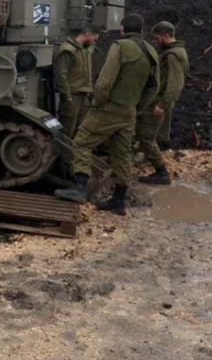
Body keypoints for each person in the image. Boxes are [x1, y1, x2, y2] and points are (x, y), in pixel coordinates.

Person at [54, 14, 159, 215]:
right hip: (129, 111)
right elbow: (154, 86)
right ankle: (118, 200)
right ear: (141, 29)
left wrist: (97, 103)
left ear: (122, 28)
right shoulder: (151, 50)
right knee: (121, 153)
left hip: (109, 108)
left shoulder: (120, 47)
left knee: (81, 142)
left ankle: (80, 189)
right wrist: (137, 107)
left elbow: (105, 81)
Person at [135, 21, 189, 184]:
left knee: (146, 136)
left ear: (166, 36)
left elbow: (174, 84)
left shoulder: (173, 55)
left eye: (158, 38)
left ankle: (161, 172)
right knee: (145, 132)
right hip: (159, 100)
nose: (156, 41)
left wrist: (162, 105)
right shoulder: (176, 51)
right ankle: (145, 159)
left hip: (159, 102)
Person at [54, 24, 100, 139]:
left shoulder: (84, 50)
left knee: (81, 128)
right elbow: (61, 75)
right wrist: (68, 96)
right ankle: (64, 154)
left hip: (83, 95)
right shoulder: (68, 50)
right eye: (94, 39)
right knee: (67, 128)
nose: (94, 42)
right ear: (87, 34)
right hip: (72, 96)